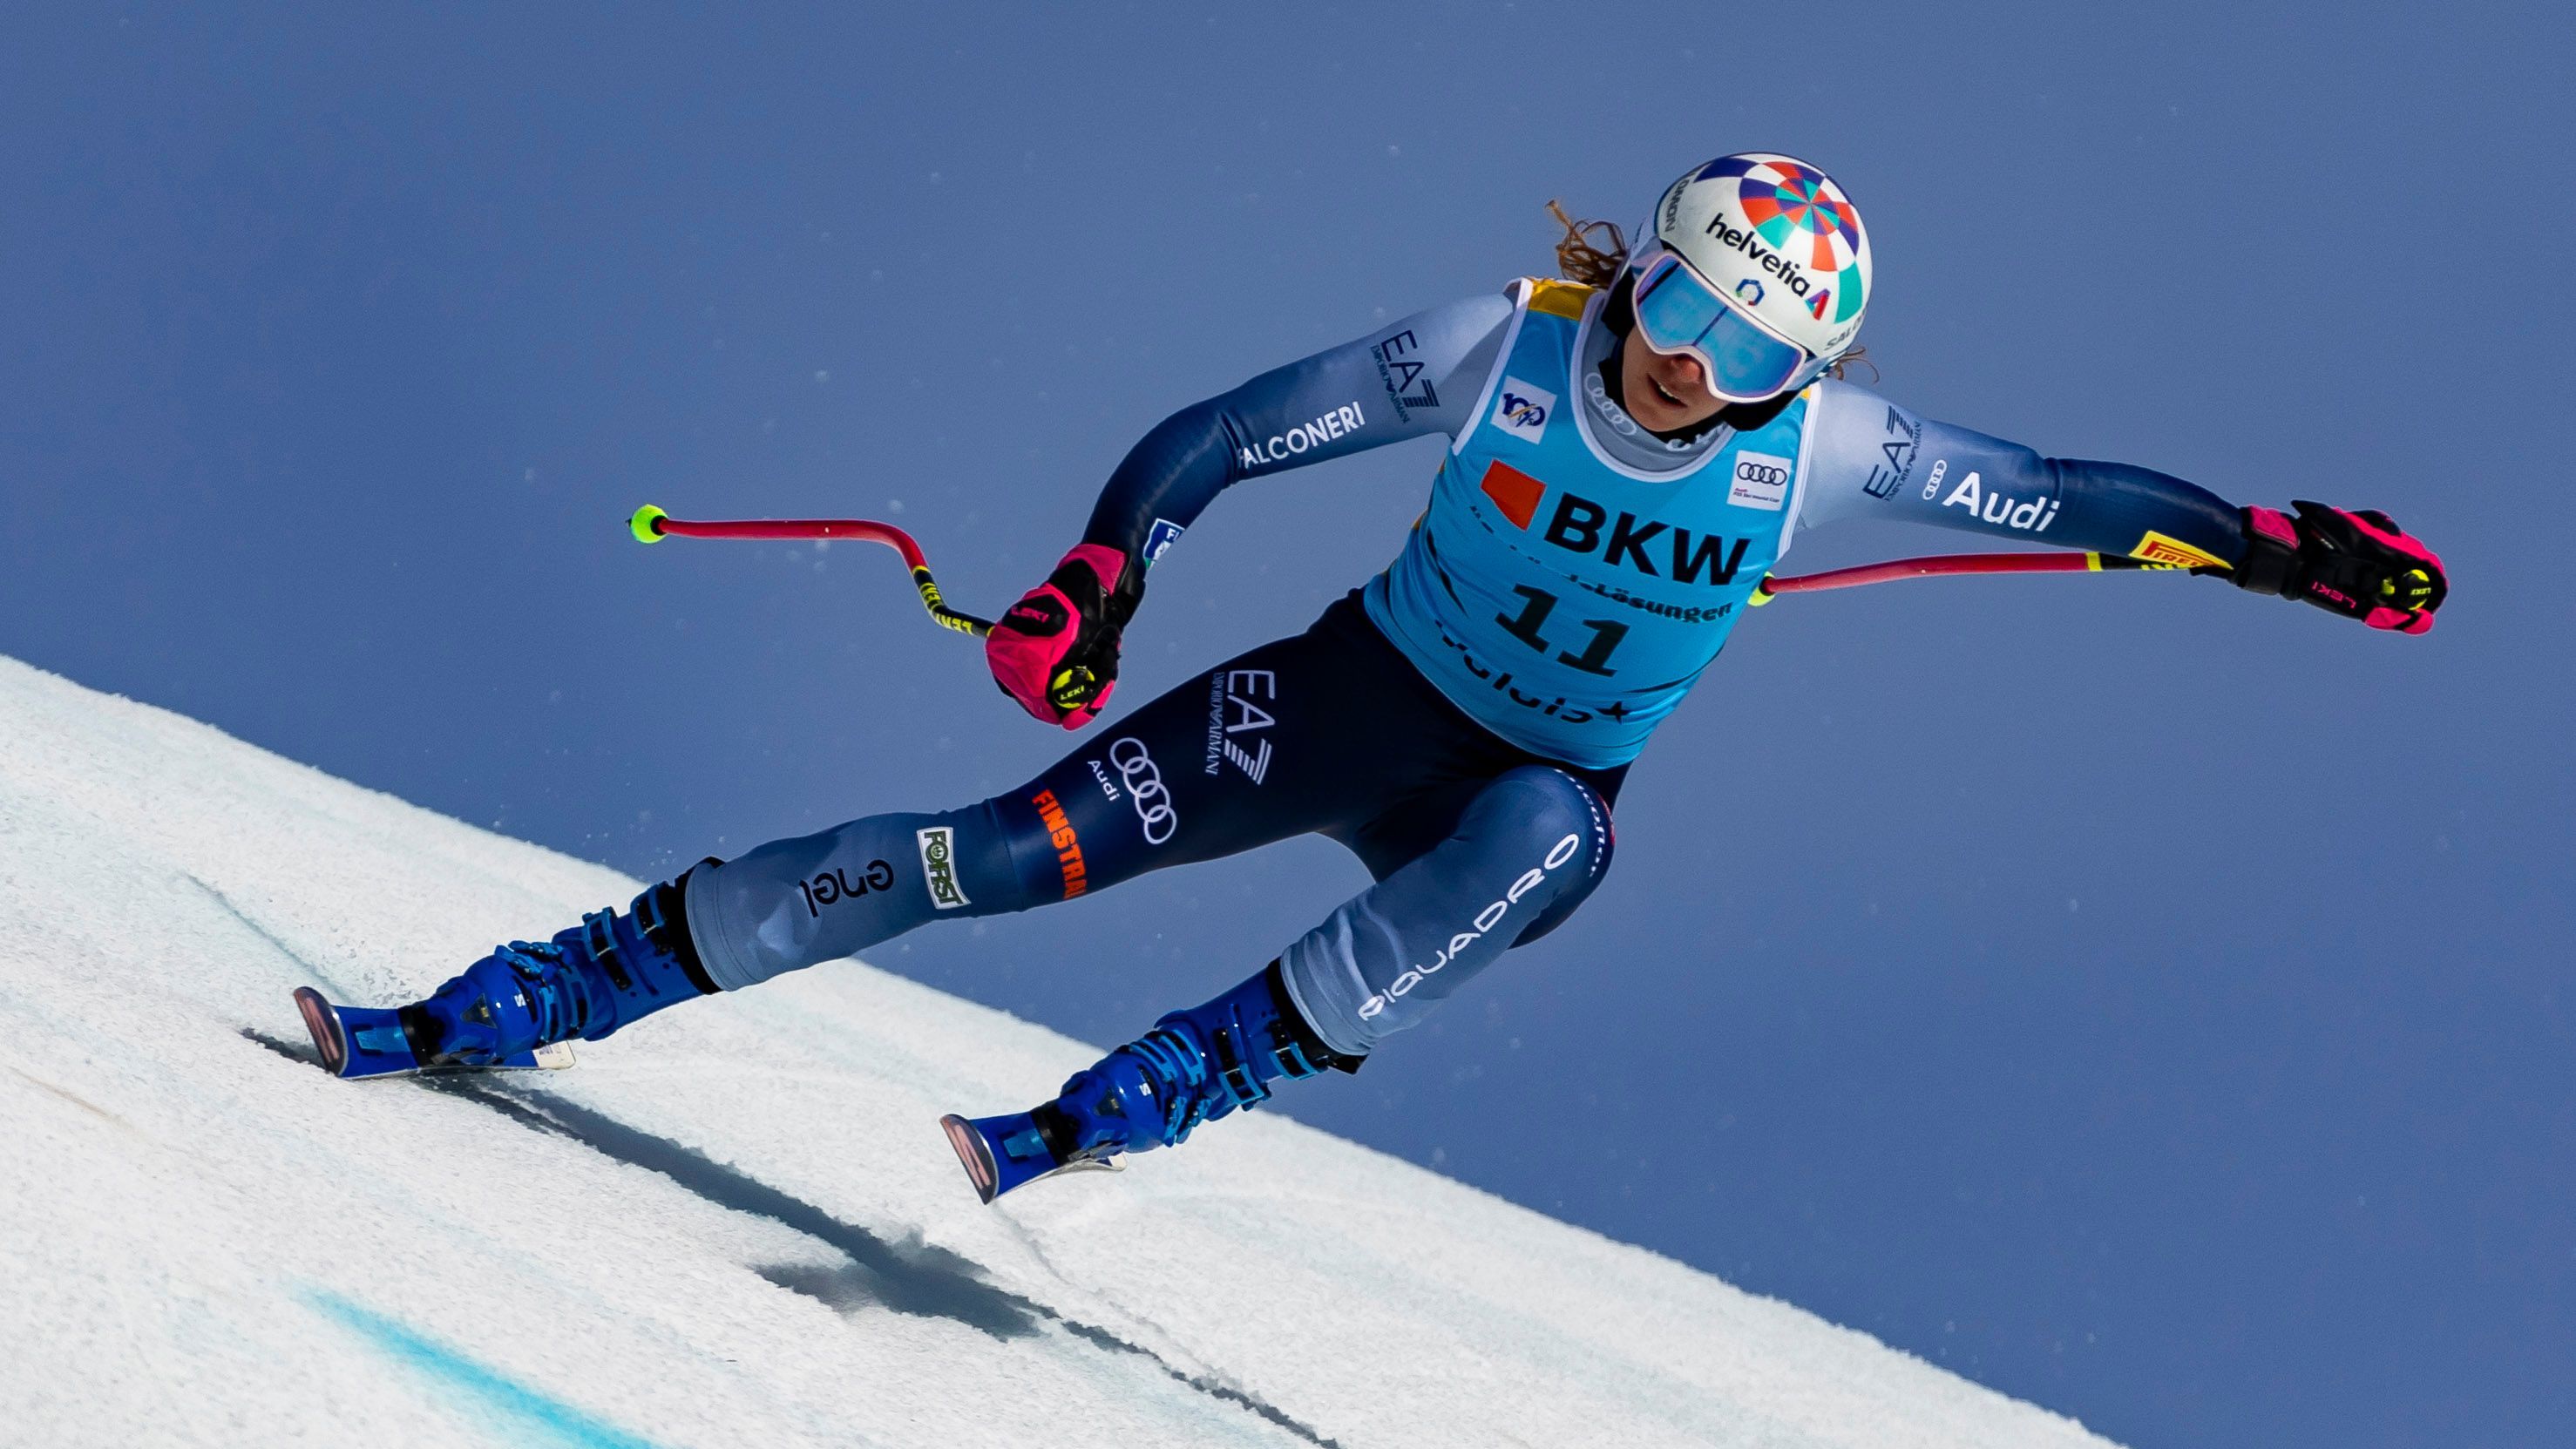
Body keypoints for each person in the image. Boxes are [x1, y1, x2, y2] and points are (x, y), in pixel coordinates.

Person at [329, 153, 2446, 1201]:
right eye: (1661, 319)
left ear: (1799, 375)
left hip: (1527, 789)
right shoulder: (1504, 345)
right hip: (1352, 696)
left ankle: (1167, 1086)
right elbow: (1222, 434)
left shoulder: (1839, 459)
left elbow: (2070, 498)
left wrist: (2279, 555)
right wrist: (1098, 577)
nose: (1672, 373)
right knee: (986, 857)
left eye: (1730, 358)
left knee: (1530, 852)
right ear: (1623, 270)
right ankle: (555, 984)